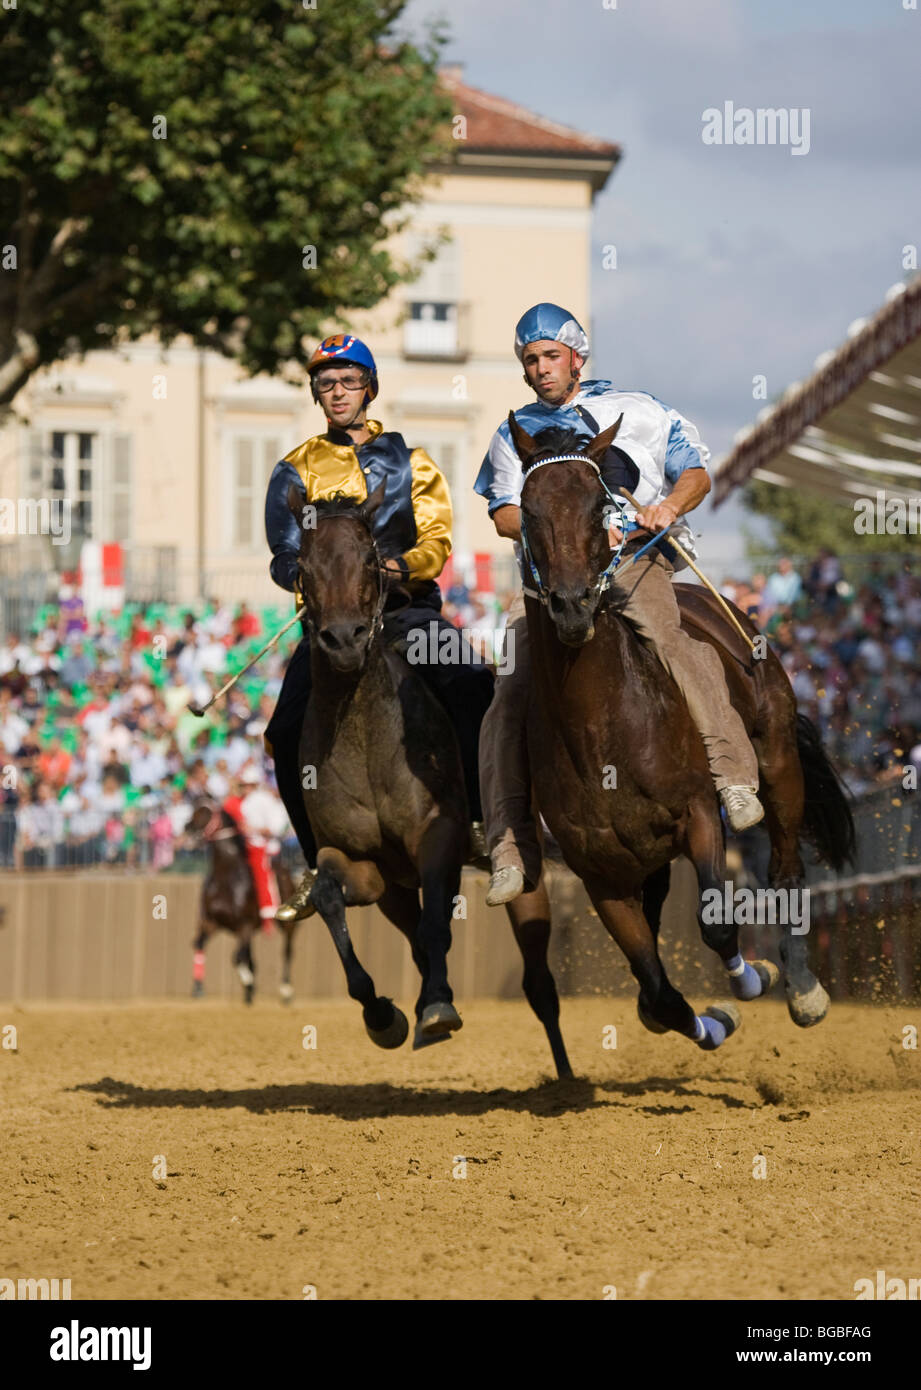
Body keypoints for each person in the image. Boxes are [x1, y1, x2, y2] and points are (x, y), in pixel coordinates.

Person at [474, 301, 763, 905]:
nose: (540, 369)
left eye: (550, 356)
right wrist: (543, 529)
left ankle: (734, 776)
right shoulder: (512, 432)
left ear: (577, 357)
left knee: (674, 644)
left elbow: (696, 474)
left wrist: (668, 507)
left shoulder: (641, 411)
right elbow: (503, 512)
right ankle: (508, 844)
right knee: (508, 692)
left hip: (633, 562)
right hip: (549, 581)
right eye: (530, 360)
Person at [264, 333, 494, 921]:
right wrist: (307, 576)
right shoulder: (294, 469)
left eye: (346, 381)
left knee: (472, 683)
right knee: (284, 731)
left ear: (369, 387)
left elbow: (437, 543)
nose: (336, 392)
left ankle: (483, 824)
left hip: (405, 611)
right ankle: (317, 860)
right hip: (335, 621)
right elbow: (282, 551)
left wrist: (397, 567)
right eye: (324, 384)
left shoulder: (412, 462)